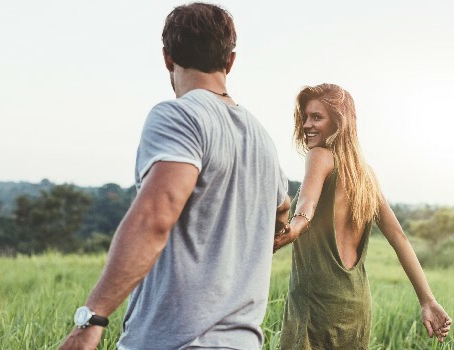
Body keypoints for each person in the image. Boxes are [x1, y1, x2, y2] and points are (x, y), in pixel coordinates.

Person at [59, 3, 290, 349]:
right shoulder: (262, 139)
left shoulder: (179, 117)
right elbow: (281, 210)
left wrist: (91, 319)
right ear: (230, 61)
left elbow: (155, 217)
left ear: (167, 58)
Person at [273, 83, 452, 348]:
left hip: (316, 306)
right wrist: (427, 300)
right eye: (306, 117)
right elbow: (399, 237)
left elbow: (306, 206)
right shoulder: (365, 175)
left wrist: (294, 227)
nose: (306, 125)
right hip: (355, 307)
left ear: (338, 123)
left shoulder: (319, 156)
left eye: (317, 117)